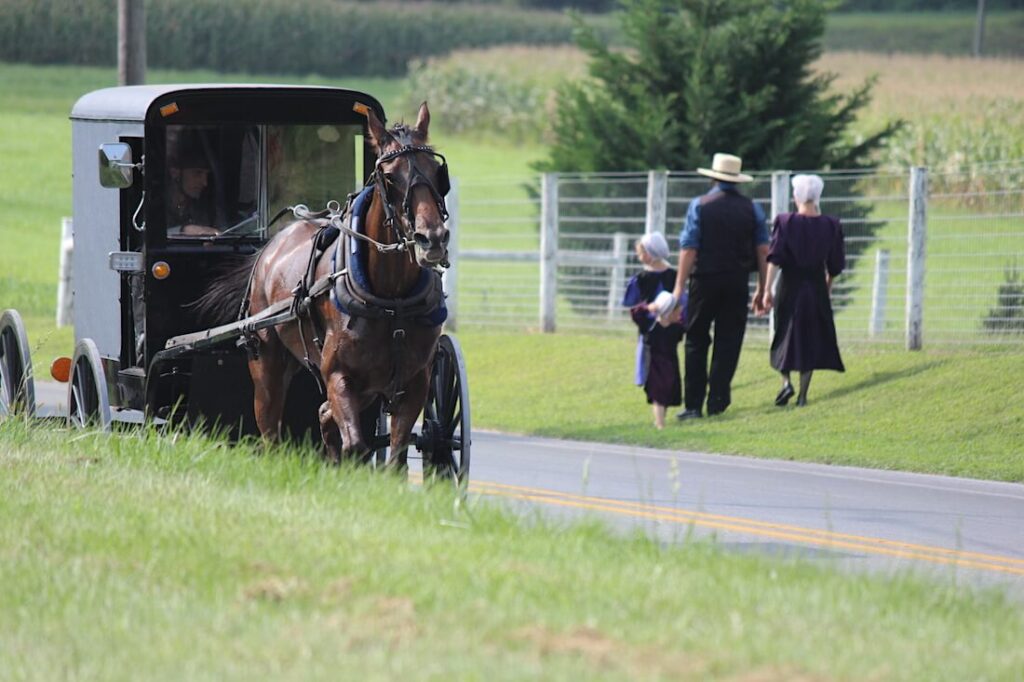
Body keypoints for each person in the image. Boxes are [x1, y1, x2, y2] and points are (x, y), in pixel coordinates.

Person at [663, 153, 770, 421]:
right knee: (729, 339)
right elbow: (763, 249)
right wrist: (763, 286)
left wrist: (679, 287)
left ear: (713, 178)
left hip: (704, 280)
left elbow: (689, 248)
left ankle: (693, 406)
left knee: (696, 339)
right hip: (737, 281)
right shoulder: (752, 209)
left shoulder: (699, 205)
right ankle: (718, 401)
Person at [759, 174, 846, 407]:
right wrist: (827, 288)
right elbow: (834, 265)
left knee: (783, 333)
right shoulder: (831, 225)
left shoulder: (785, 222)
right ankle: (803, 396)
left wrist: (767, 290)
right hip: (815, 286)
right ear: (818, 197)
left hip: (789, 284)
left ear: (796, 196)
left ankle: (786, 382)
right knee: (809, 338)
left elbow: (775, 259)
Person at [623, 232, 686, 429]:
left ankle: (659, 422)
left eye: (640, 253)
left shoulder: (643, 278)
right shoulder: (674, 277)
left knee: (657, 373)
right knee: (664, 372)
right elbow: (683, 304)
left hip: (655, 333)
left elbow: (632, 305)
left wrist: (651, 312)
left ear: (649, 254)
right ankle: (660, 418)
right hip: (666, 332)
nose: (639, 257)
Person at [166, 141, 220, 237]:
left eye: (206, 175)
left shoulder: (202, 206)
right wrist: (183, 230)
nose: (205, 183)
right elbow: (147, 236)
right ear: (175, 173)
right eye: (197, 173)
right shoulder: (156, 203)